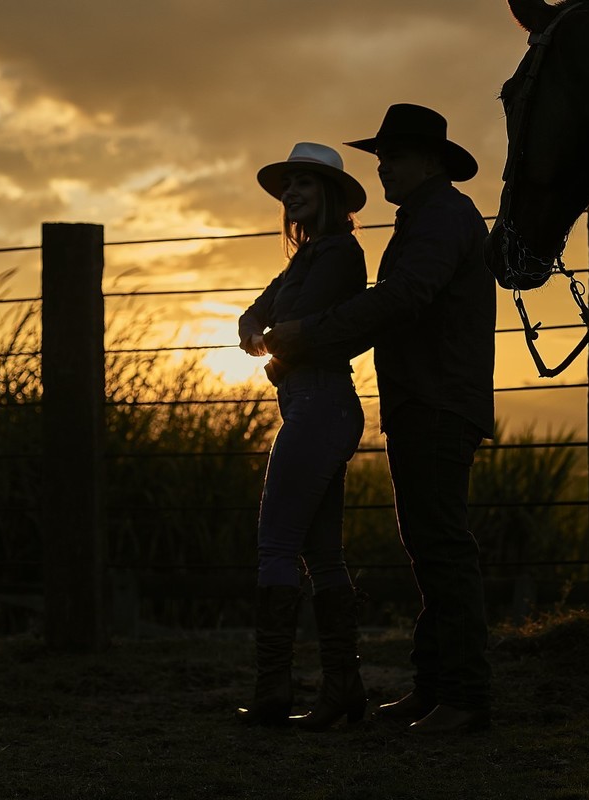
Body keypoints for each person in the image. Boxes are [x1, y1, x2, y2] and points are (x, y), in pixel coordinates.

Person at [264, 104, 497, 735]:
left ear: (428, 161)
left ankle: (464, 694)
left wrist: (307, 335)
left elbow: (401, 299)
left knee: (441, 545)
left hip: (437, 399)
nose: (383, 168)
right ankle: (435, 688)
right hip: (427, 397)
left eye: (391, 157)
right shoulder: (428, 219)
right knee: (430, 543)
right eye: (379, 157)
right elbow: (396, 306)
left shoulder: (440, 221)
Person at [234, 142, 370, 731]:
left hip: (318, 404)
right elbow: (258, 315)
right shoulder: (310, 256)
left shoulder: (338, 254)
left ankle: (273, 691)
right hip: (318, 408)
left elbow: (295, 330)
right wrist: (259, 329)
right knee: (321, 551)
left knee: (276, 544)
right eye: (288, 185)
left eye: (305, 185)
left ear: (330, 195)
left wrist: (274, 350)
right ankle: (343, 688)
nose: (292, 193)